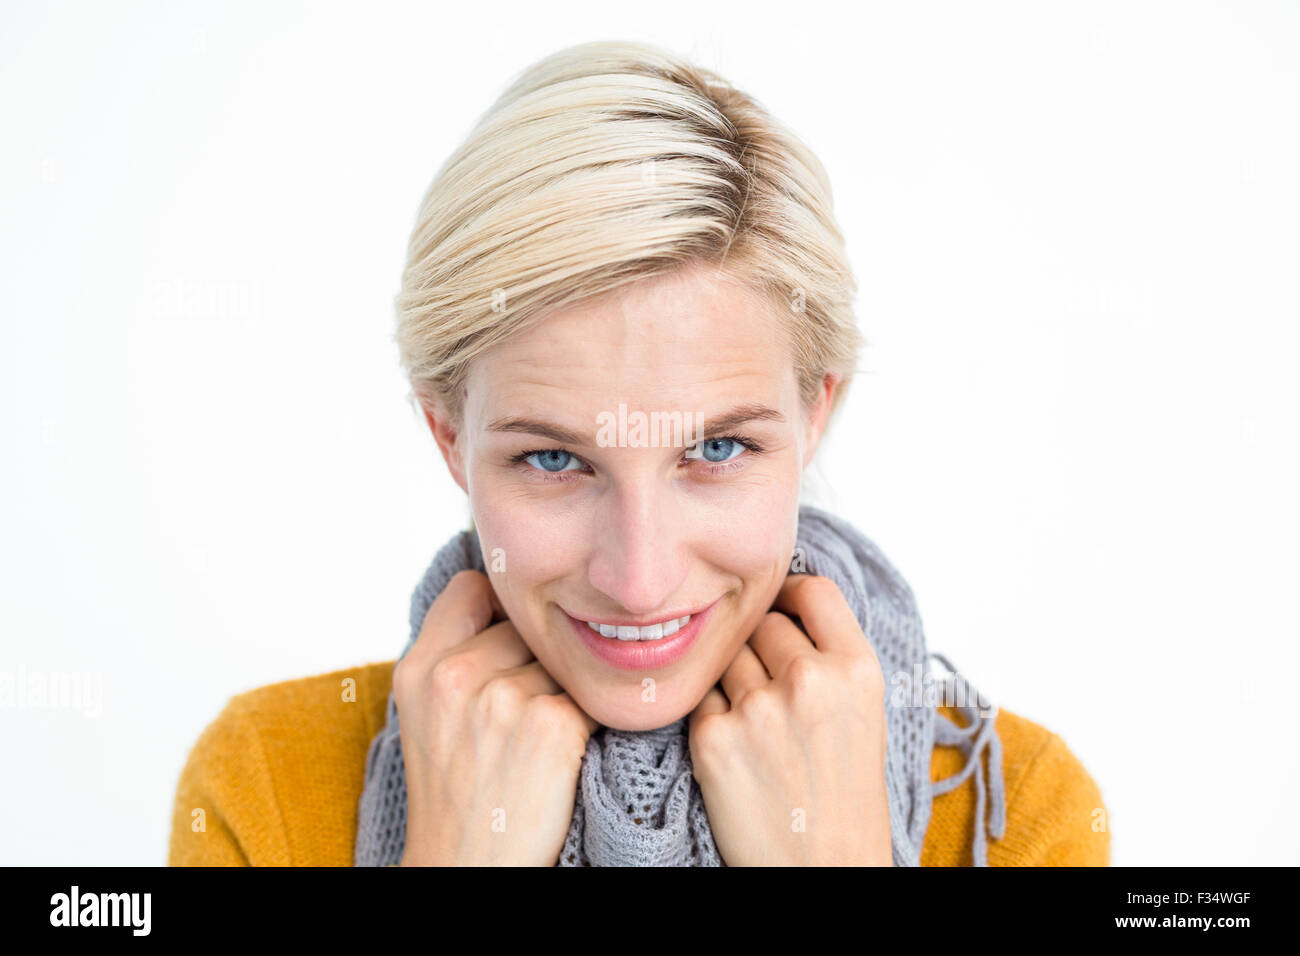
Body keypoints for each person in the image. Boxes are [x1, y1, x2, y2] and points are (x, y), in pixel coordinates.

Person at [168, 40, 1109, 866]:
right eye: (553, 461)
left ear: (816, 414)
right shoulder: (268, 782)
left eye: (717, 447)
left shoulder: (1012, 810)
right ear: (448, 437)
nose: (640, 581)